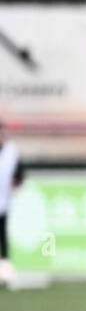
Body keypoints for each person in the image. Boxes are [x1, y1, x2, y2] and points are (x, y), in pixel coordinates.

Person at [0, 122, 24, 288]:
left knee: (3, 239)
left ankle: (6, 274)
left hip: (3, 202)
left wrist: (15, 183)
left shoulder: (11, 152)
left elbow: (20, 175)